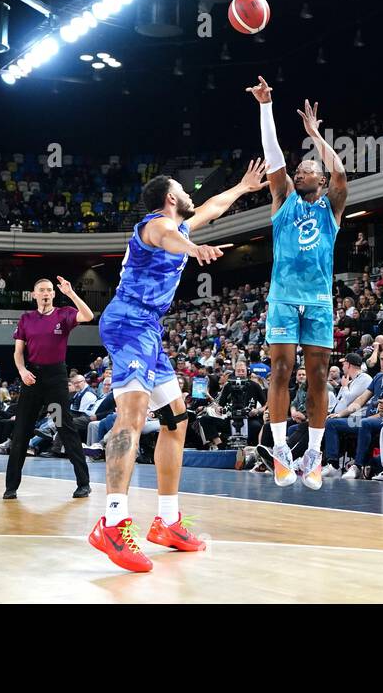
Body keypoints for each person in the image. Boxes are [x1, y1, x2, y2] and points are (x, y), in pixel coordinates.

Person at [89, 161, 266, 572]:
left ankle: (167, 522)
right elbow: (169, 238)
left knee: (176, 419)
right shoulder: (156, 226)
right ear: (170, 198)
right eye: (183, 191)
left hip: (148, 326)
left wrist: (242, 187)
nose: (190, 195)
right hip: (128, 321)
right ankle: (112, 523)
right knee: (132, 416)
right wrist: (193, 249)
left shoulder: (180, 224)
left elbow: (212, 207)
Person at [249, 76, 349, 490]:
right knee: (280, 369)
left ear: (320, 181)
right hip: (284, 298)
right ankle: (279, 449)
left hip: (320, 301)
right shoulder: (283, 198)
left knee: (319, 375)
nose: (298, 172)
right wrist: (266, 106)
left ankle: (313, 453)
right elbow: (273, 156)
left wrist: (316, 136)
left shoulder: (332, 206)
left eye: (307, 170)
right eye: (298, 169)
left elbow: (340, 173)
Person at [4, 277, 96, 501]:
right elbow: (18, 352)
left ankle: (84, 484)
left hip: (55, 379)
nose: (45, 293)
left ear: (54, 294)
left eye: (49, 290)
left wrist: (71, 293)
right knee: (21, 431)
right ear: (34, 294)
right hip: (33, 380)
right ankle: (11, 487)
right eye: (41, 290)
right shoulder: (26, 319)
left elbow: (88, 316)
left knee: (64, 427)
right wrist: (22, 371)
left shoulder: (64, 314)